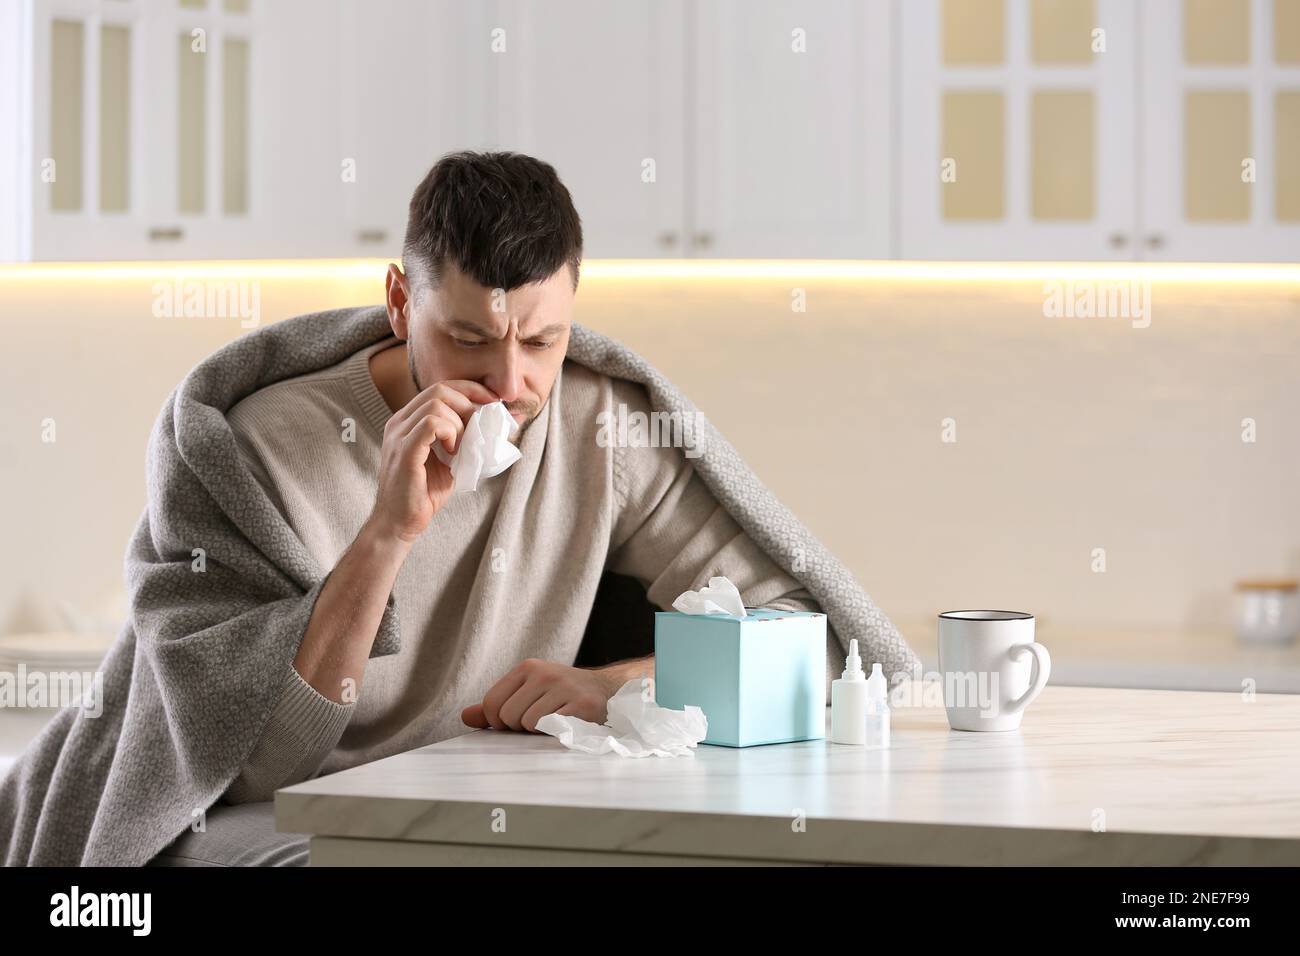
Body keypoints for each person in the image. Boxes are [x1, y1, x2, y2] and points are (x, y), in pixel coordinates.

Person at [147, 151, 829, 866]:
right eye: (469, 339)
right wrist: (388, 532)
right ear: (403, 304)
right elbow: (256, 768)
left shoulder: (602, 428)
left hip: (477, 806)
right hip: (274, 814)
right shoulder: (259, 447)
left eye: (542, 341)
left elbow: (802, 634)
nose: (510, 382)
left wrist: (615, 687)